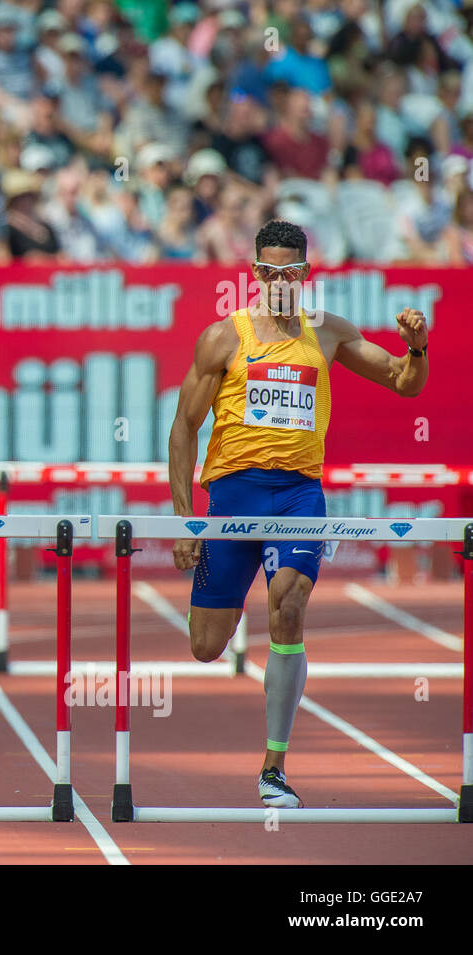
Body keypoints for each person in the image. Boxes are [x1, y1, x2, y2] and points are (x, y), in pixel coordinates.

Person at [168, 219, 429, 809]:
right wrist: (186, 519)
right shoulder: (223, 338)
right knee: (206, 645)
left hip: (298, 496)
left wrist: (417, 348)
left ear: (305, 275)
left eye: (291, 272)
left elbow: (403, 384)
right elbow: (183, 428)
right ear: (255, 274)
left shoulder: (329, 334)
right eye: (269, 271)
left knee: (288, 606)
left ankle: (273, 768)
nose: (280, 281)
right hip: (233, 497)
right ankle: (231, 643)